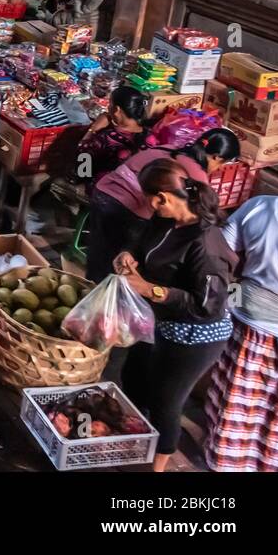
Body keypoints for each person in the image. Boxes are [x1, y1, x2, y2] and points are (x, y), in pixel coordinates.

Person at [115, 158, 235, 473]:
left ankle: (158, 464)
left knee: (167, 401)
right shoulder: (165, 221)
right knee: (135, 378)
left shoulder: (204, 245)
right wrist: (130, 256)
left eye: (151, 201)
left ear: (163, 197)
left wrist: (150, 290)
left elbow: (206, 305)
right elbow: (143, 247)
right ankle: (133, 439)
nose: (150, 207)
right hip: (163, 322)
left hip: (197, 336)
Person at [86, 128, 241, 283]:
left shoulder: (169, 148)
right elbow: (202, 208)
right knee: (120, 263)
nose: (219, 169)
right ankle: (104, 292)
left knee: (99, 252)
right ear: (216, 157)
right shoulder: (194, 173)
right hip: (125, 209)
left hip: (103, 192)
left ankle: (92, 288)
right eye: (221, 164)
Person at [204, 195, 278, 472]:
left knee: (241, 401)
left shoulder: (262, 206)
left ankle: (229, 462)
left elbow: (220, 251)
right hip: (259, 321)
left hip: (251, 324)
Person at [77, 84, 148, 181]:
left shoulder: (106, 138)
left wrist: (93, 129)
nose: (108, 107)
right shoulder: (150, 135)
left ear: (116, 110)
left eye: (110, 104)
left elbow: (83, 169)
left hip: (106, 188)